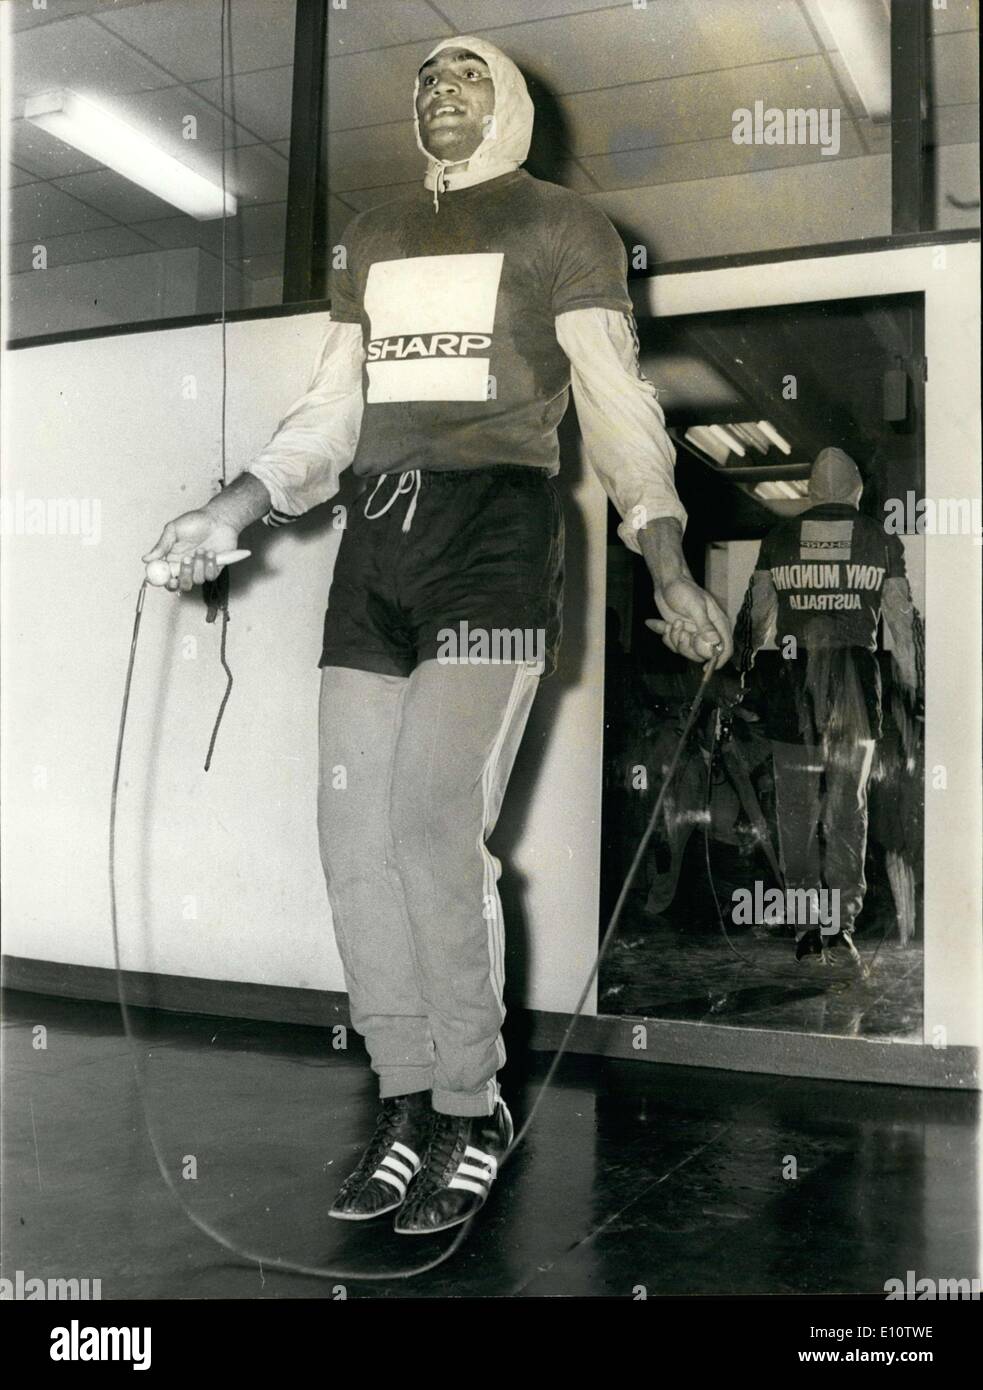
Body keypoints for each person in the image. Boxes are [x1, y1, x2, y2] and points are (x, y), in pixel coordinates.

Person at [144, 35, 732, 1235]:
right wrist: (230, 507)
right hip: (379, 547)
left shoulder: (565, 228)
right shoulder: (371, 231)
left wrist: (665, 557)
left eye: (468, 78)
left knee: (425, 817)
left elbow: (619, 409)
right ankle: (406, 1098)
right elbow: (329, 411)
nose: (442, 93)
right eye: (425, 82)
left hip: (494, 543)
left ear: (507, 105)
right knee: (350, 829)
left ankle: (473, 1104)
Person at [734, 447, 923, 965]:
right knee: (848, 810)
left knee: (793, 811)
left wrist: (740, 673)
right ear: (857, 487)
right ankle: (840, 925)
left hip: (794, 684)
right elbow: (902, 625)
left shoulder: (778, 539)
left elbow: (756, 619)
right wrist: (911, 687)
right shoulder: (881, 539)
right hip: (855, 689)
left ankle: (804, 927)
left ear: (813, 490)